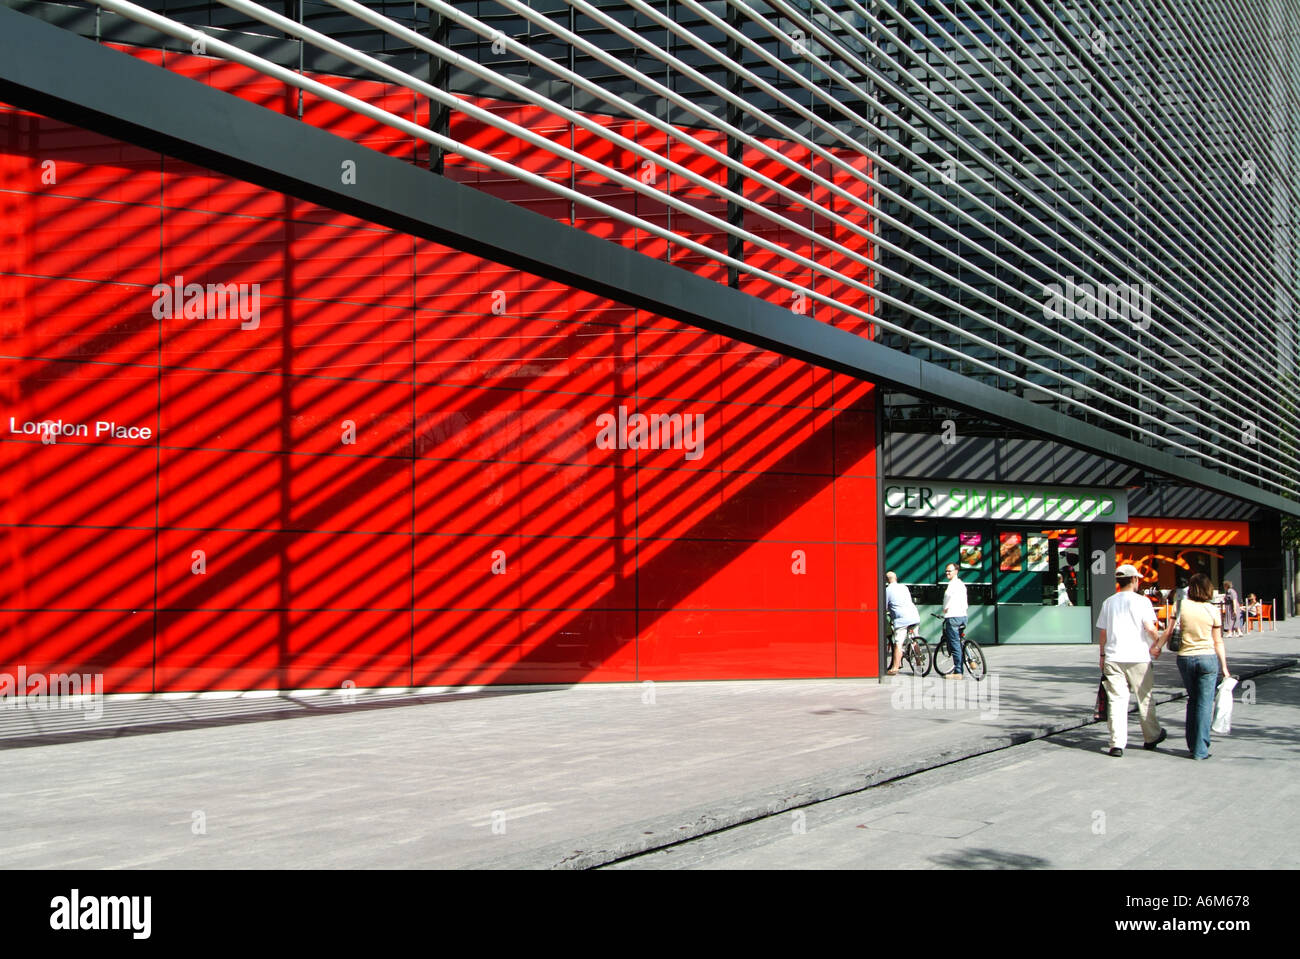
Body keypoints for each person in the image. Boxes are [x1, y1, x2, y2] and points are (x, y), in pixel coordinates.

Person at [1155, 572, 1229, 759]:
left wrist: (1156, 647)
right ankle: (1200, 749)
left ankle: (1192, 744)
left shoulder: (1181, 605)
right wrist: (1225, 668)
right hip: (1208, 658)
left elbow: (1169, 630)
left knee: (1193, 700)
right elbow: (1218, 641)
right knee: (1204, 703)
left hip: (1185, 658)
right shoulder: (1212, 610)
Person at [1095, 563, 1166, 757]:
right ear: (1134, 579)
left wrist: (1102, 655)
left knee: (1117, 700)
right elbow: (1149, 628)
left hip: (1113, 656)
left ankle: (1116, 743)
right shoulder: (1142, 602)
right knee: (1145, 697)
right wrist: (1158, 644)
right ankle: (1151, 737)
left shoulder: (1108, 602)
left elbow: (1103, 633)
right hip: (1138, 657)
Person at [884, 571, 920, 675]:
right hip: (914, 616)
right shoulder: (904, 587)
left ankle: (895, 668)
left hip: (902, 619)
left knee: (898, 643)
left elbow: (884, 606)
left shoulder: (887, 590)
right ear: (896, 578)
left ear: (887, 580)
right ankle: (918, 668)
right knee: (914, 641)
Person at [941, 563, 968, 680]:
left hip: (953, 616)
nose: (947, 573)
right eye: (946, 571)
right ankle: (971, 660)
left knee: (955, 644)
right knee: (960, 640)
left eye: (949, 571)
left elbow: (947, 598)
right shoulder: (962, 584)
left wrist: (944, 608)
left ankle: (958, 672)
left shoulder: (952, 585)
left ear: (956, 571)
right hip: (963, 616)